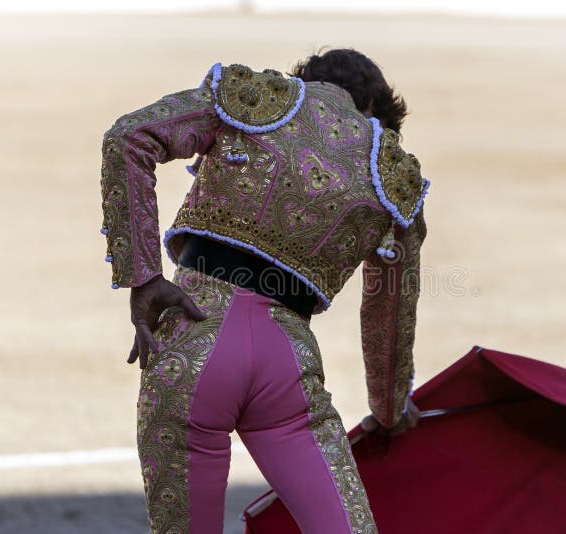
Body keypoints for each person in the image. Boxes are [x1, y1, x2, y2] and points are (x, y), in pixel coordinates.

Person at [99, 48, 430, 533]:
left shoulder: (250, 101)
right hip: (287, 368)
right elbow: (389, 313)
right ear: (375, 114)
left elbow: (128, 138)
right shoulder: (392, 173)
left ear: (303, 81)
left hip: (192, 339)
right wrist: (389, 409)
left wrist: (144, 276)